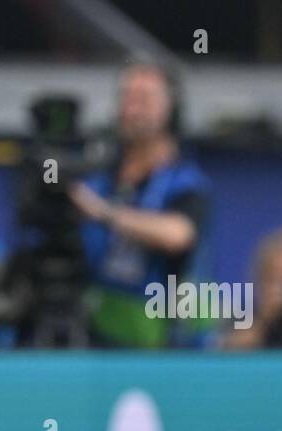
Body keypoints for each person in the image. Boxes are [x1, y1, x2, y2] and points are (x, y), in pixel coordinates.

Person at [69, 58, 212, 348]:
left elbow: (178, 234)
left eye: (143, 99)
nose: (131, 109)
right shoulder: (98, 175)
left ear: (171, 109)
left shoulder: (185, 182)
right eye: (126, 98)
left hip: (161, 342)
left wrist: (103, 213)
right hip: (95, 337)